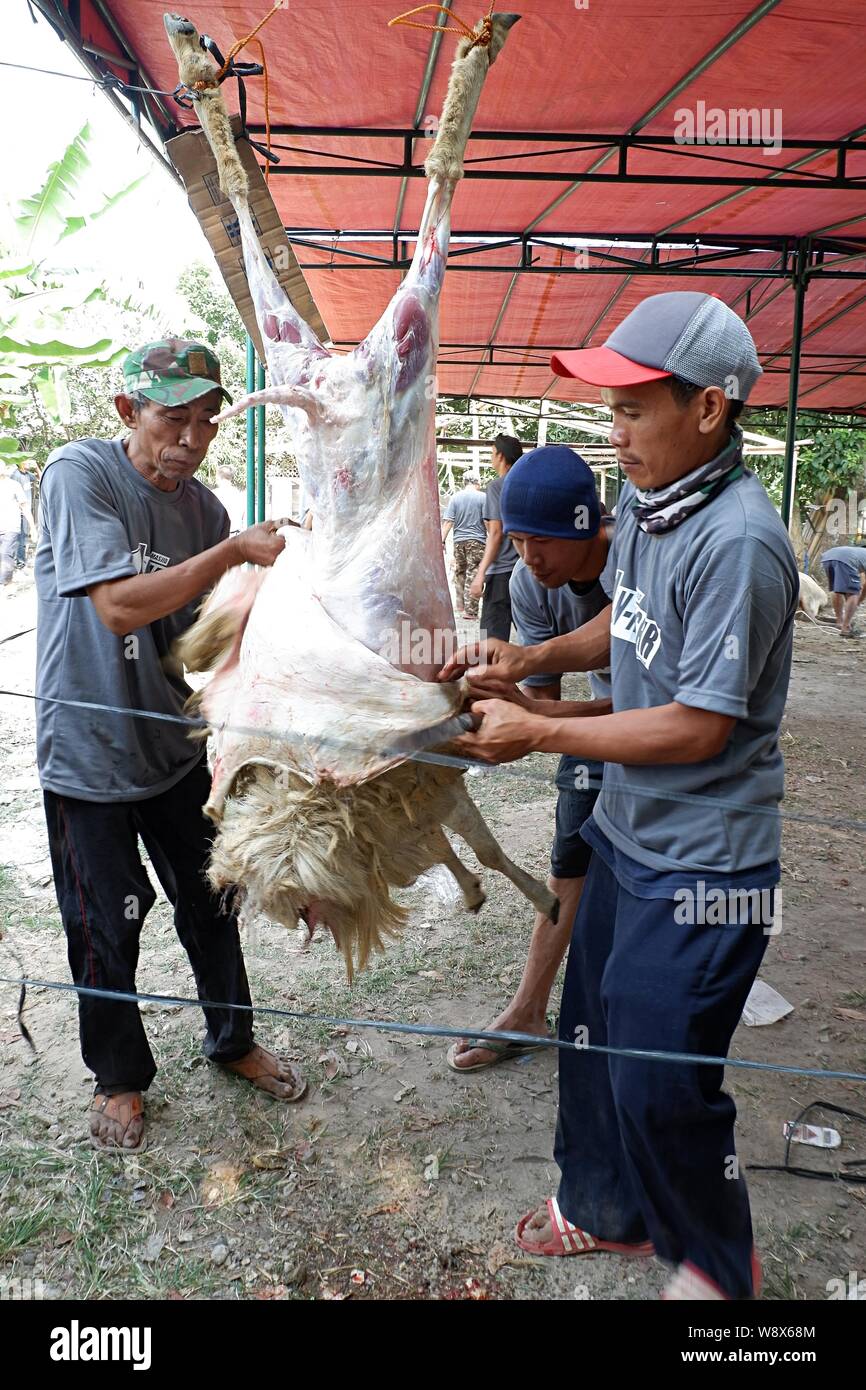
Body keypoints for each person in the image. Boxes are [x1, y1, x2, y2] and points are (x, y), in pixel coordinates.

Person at [442, 292, 799, 1300]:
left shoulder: (735, 542)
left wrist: (542, 726)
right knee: (594, 1041)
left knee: (662, 1083)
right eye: (612, 411)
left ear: (708, 410)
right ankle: (603, 1211)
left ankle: (717, 1270)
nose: (616, 432)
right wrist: (536, 658)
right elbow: (629, 621)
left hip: (701, 864)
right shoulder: (648, 501)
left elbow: (698, 724)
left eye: (634, 409)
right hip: (627, 835)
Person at [35, 338, 306, 1154]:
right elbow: (117, 607)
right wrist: (229, 556)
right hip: (88, 755)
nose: (189, 440)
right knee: (105, 925)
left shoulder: (205, 512)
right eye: (172, 419)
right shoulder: (79, 474)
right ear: (128, 412)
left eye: (205, 423)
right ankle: (119, 1077)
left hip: (176, 753)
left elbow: (208, 637)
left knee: (212, 902)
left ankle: (232, 1039)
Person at [449, 446, 613, 1071]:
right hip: (607, 715)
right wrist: (513, 707)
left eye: (541, 540)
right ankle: (528, 1008)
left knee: (637, 873)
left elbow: (655, 714)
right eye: (515, 540)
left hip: (660, 721)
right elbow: (550, 709)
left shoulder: (637, 567)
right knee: (569, 856)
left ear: (588, 526)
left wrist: (535, 716)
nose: (528, 556)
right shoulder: (526, 582)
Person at [470, 434, 523, 640]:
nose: (492, 458)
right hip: (527, 571)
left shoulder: (497, 486)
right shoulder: (528, 485)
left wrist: (480, 573)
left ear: (500, 456)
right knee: (531, 635)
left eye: (492, 453)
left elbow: (495, 533)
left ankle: (491, 673)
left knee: (492, 639)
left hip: (501, 572)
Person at [441, 469, 486, 619]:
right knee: (473, 573)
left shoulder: (455, 498)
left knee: (460, 571)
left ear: (464, 482)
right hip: (477, 541)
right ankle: (471, 611)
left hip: (459, 541)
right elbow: (487, 521)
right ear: (477, 482)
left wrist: (441, 541)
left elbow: (448, 522)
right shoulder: (482, 497)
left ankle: (460, 605)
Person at [820, 543, 866, 637]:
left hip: (828, 557)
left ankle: (840, 622)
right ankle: (846, 628)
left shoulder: (859, 551)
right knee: (853, 592)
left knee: (837, 590)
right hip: (846, 559)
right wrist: (859, 600)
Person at [0, 466, 32, 589]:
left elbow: (24, 506)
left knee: (6, 553)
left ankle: (5, 583)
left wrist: (32, 528)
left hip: (11, 526)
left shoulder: (14, 485)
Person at [211, 463, 247, 535]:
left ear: (218, 477)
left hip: (219, 536)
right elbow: (244, 517)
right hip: (236, 535)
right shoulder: (240, 495)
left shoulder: (213, 494)